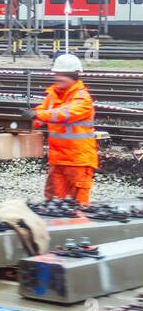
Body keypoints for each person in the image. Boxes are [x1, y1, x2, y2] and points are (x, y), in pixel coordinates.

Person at [28, 53, 97, 205]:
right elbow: (41, 115)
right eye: (56, 74)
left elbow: (65, 114)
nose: (57, 78)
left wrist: (37, 114)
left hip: (78, 161)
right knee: (54, 204)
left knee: (78, 206)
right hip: (57, 160)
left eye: (62, 75)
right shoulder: (53, 96)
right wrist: (25, 123)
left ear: (74, 76)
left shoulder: (82, 98)